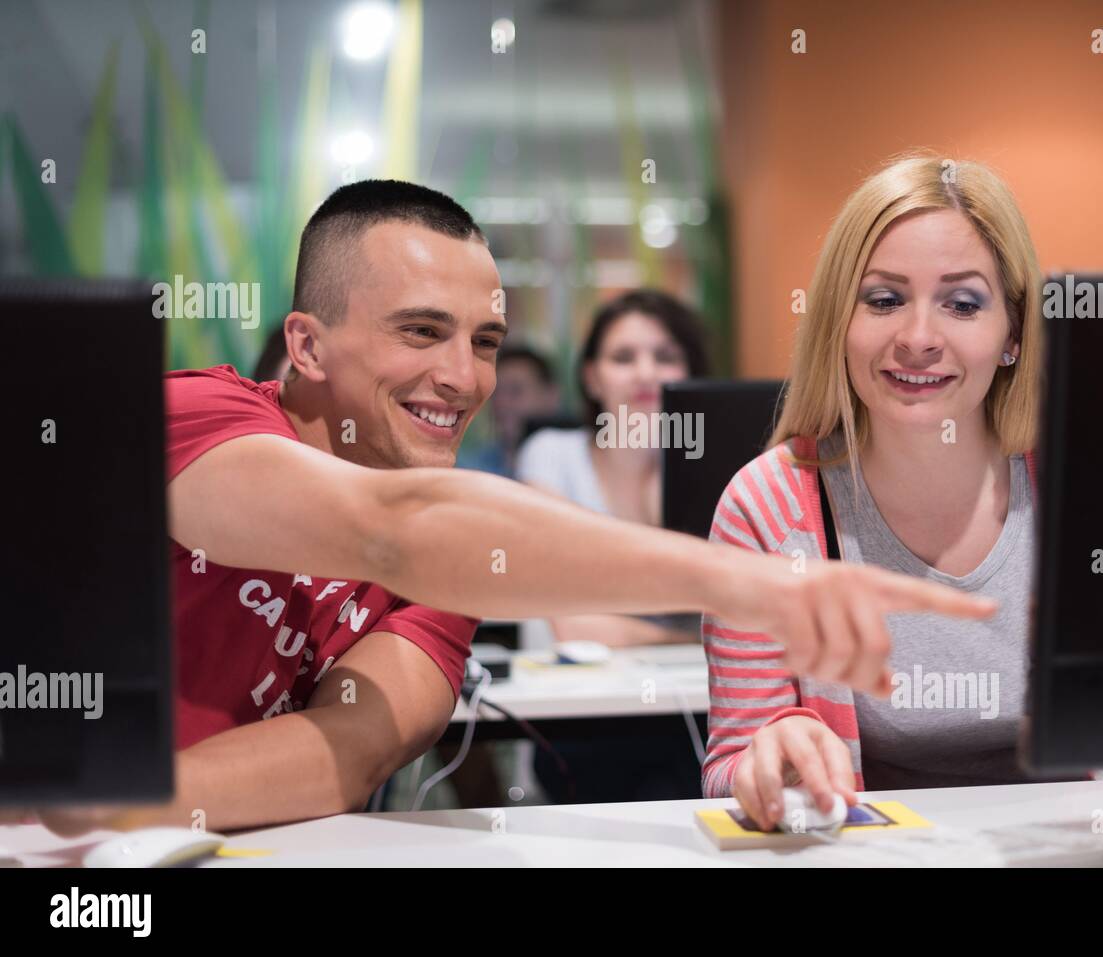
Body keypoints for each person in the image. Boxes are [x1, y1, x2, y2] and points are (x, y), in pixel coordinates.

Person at [12, 178, 993, 837]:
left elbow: (346, 754)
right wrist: (734, 578)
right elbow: (385, 524)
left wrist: (101, 810)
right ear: (306, 347)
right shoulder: (193, 415)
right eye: (422, 332)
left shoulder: (437, 584)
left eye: (483, 339)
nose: (461, 377)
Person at [701, 154, 1103, 831]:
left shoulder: (1097, 491)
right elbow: (729, 764)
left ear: (1012, 332)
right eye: (884, 299)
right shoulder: (768, 508)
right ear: (839, 321)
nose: (919, 338)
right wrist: (768, 761)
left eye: (962, 303)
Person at [517, 289, 708, 647]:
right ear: (592, 378)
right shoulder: (551, 456)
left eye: (665, 357)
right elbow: (572, 627)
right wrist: (687, 640)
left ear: (690, 372)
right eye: (623, 357)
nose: (646, 373)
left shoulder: (714, 468)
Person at [457, 344, 560, 477]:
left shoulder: (579, 464)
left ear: (550, 396)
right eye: (495, 392)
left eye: (515, 391)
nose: (501, 403)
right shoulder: (469, 471)